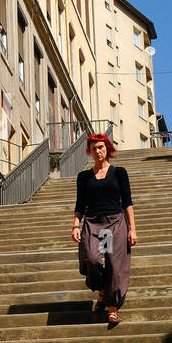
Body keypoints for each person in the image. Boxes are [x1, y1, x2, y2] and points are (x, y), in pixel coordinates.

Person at [71, 133, 137, 325]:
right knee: (91, 259)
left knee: (114, 264)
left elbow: (127, 202)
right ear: (89, 152)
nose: (98, 151)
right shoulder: (84, 177)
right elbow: (79, 204)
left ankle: (112, 309)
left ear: (107, 148)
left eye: (101, 147)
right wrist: (76, 225)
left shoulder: (119, 173)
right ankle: (101, 289)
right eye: (94, 148)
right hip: (93, 223)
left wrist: (132, 228)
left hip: (114, 224)